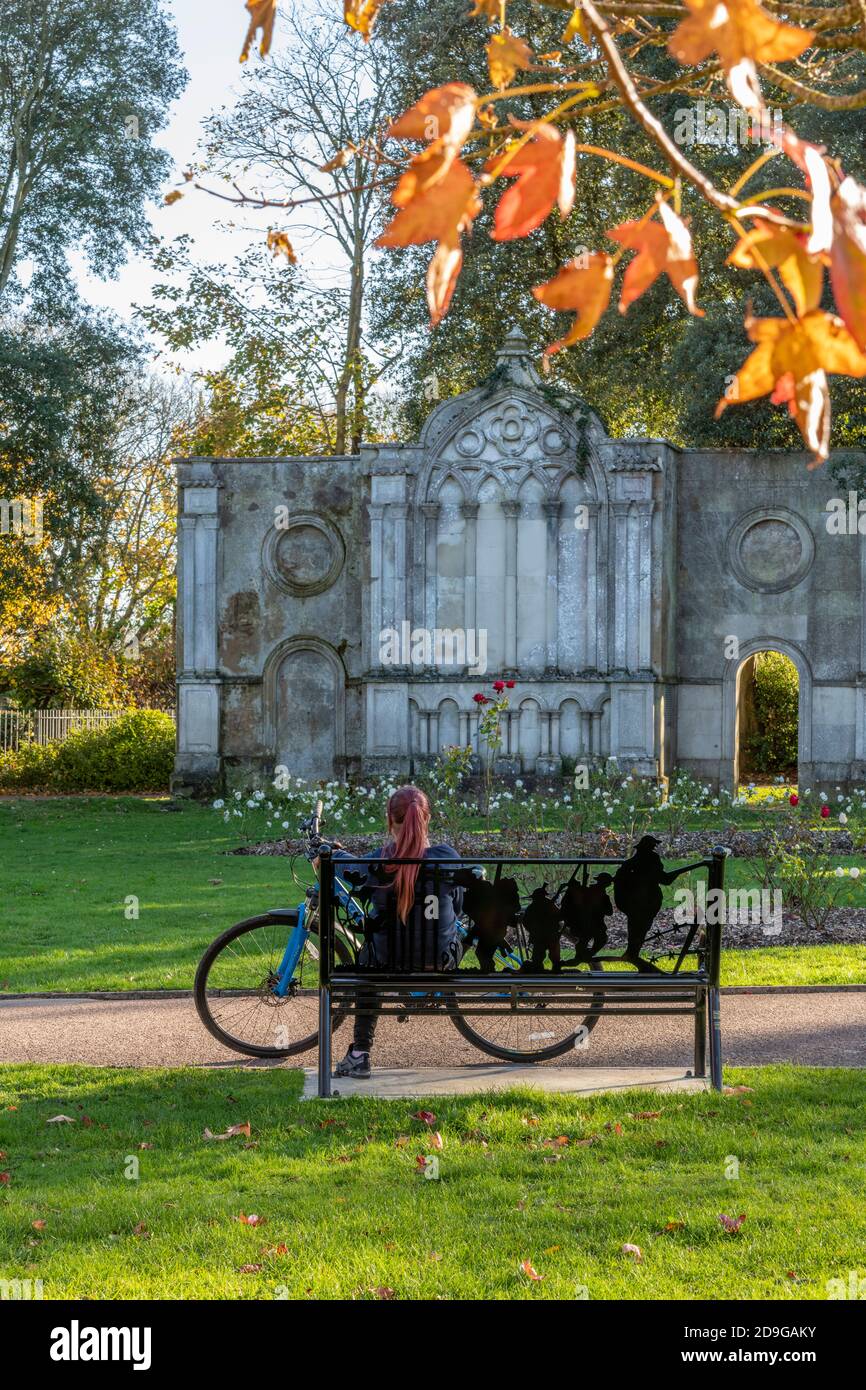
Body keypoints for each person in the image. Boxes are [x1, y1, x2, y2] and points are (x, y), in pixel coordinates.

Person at [325, 785, 464, 1079]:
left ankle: (360, 1054)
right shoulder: (447, 857)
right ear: (426, 819)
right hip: (441, 960)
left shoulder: (378, 861)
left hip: (386, 962)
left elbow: (349, 871)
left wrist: (332, 857)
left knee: (368, 959)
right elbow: (459, 904)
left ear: (390, 821)